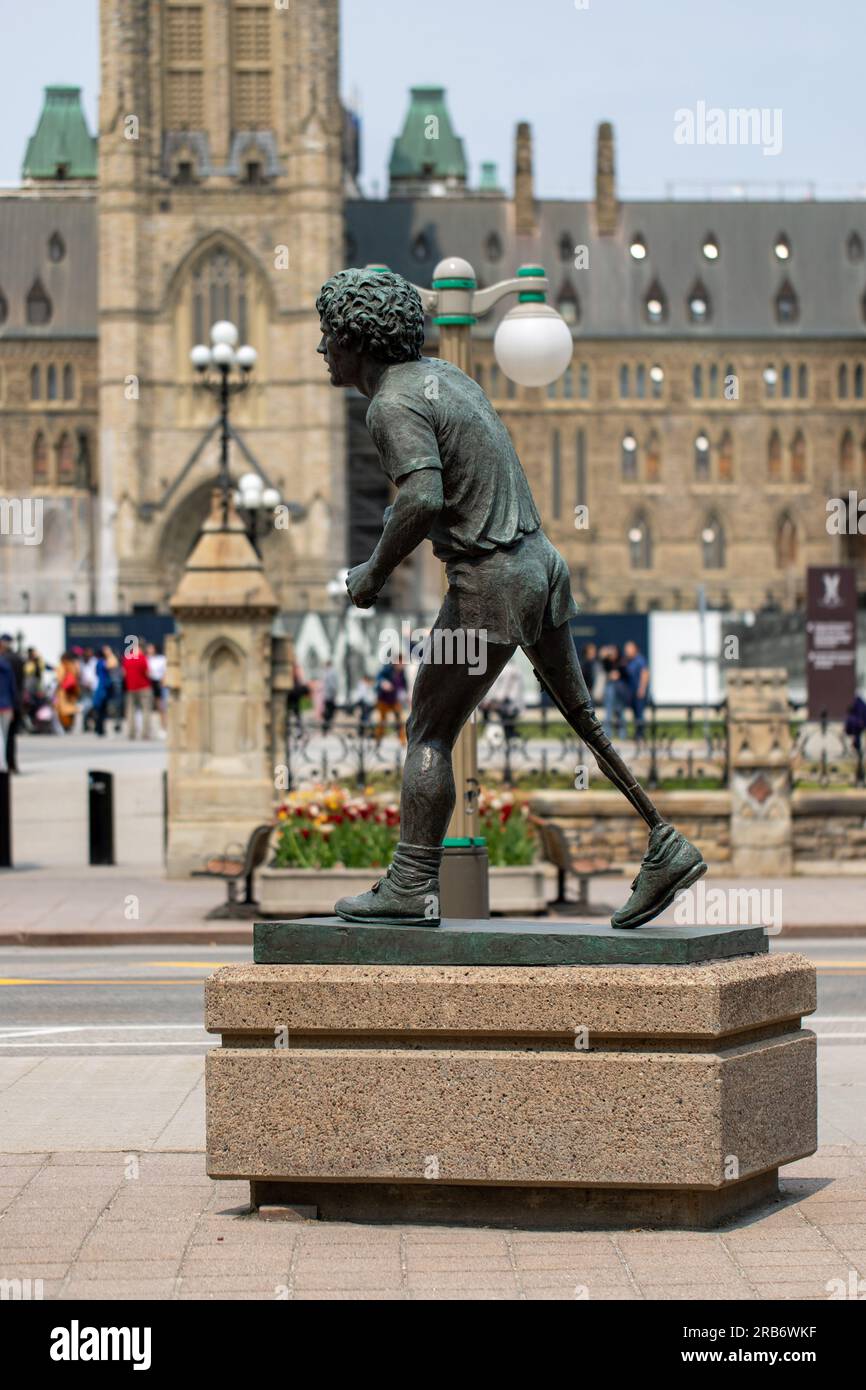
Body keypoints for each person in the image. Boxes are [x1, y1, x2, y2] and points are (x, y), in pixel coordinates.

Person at [316, 267, 705, 929]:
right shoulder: (450, 379)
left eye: (329, 335)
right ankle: (665, 841)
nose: (324, 349)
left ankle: (410, 884)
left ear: (356, 339)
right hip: (539, 562)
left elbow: (422, 498)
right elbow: (449, 486)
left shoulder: (388, 404)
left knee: (429, 729)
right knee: (581, 714)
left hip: (490, 581)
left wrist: (373, 574)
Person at [0, 635, 24, 771]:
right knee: (8, 736)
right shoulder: (16, 660)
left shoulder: (6, 660)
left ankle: (3, 765)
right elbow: (14, 686)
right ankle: (10, 764)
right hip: (9, 704)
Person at [122, 640, 152, 740]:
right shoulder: (143, 658)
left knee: (130, 711)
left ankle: (131, 733)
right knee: (146, 710)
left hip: (131, 688)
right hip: (144, 687)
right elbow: (148, 673)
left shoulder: (127, 658)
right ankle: (145, 733)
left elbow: (124, 673)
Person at [374, 657, 407, 743]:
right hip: (383, 700)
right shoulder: (387, 669)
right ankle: (378, 739)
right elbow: (379, 677)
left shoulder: (402, 673)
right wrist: (383, 683)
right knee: (382, 720)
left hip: (394, 700)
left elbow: (403, 686)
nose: (403, 665)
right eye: (401, 662)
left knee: (400, 720)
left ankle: (402, 740)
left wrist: (405, 695)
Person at [601, 644, 629, 739]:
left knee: (620, 713)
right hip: (610, 690)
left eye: (613, 651)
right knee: (608, 713)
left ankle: (622, 735)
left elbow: (625, 673)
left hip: (619, 690)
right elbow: (603, 668)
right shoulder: (607, 662)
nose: (612, 653)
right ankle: (607, 734)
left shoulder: (622, 661)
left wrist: (618, 674)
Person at [624, 639, 650, 742]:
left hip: (639, 692)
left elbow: (645, 674)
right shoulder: (629, 661)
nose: (627, 651)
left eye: (629, 648)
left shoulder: (640, 660)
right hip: (632, 692)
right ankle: (637, 734)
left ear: (635, 649)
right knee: (635, 714)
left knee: (639, 714)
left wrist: (642, 689)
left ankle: (641, 734)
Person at [0, 642, 18, 774]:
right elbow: (12, 688)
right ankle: (4, 764)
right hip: (6, 705)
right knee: (4, 737)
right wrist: (13, 705)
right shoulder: (6, 666)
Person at [53, 652, 80, 733]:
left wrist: (56, 689)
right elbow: (77, 675)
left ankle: (66, 726)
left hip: (63, 690)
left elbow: (59, 679)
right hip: (72, 690)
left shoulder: (61, 666)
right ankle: (70, 725)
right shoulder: (73, 665)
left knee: (63, 709)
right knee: (71, 708)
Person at [91, 646, 114, 738]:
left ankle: (99, 729)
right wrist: (110, 654)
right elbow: (113, 664)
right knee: (101, 711)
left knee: (100, 710)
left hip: (101, 688)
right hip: (102, 689)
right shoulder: (102, 662)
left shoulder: (97, 663)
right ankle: (99, 729)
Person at [146, 643, 167, 734]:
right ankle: (148, 728)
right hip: (149, 683)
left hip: (159, 683)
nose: (149, 650)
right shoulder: (146, 659)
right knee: (147, 706)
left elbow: (165, 671)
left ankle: (163, 727)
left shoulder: (161, 659)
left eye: (151, 648)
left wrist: (163, 681)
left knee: (161, 707)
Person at [321, 661, 338, 731]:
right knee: (329, 712)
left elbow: (331, 685)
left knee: (328, 711)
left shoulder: (329, 672)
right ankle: (327, 726)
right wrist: (334, 694)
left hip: (328, 696)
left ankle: (326, 726)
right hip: (330, 696)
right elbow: (332, 685)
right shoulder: (330, 672)